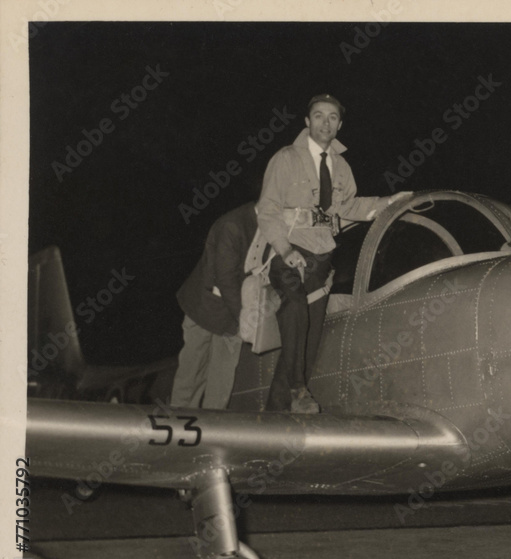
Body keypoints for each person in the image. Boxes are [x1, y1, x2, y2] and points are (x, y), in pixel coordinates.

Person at [256, 93, 411, 413]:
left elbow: (349, 207)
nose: (324, 123)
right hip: (287, 249)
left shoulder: (341, 166)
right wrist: (285, 250)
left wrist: (388, 202)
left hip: (322, 253)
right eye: (318, 116)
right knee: (295, 305)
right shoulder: (286, 158)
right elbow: (267, 210)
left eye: (331, 118)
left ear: (339, 125)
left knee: (309, 332)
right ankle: (299, 390)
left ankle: (277, 411)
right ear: (306, 121)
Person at [171, 202, 258, 409]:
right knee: (190, 380)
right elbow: (225, 279)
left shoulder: (273, 225)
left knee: (221, 386)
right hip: (205, 309)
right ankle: (177, 431)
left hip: (233, 314)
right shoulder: (232, 225)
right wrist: (246, 320)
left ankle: (210, 434)